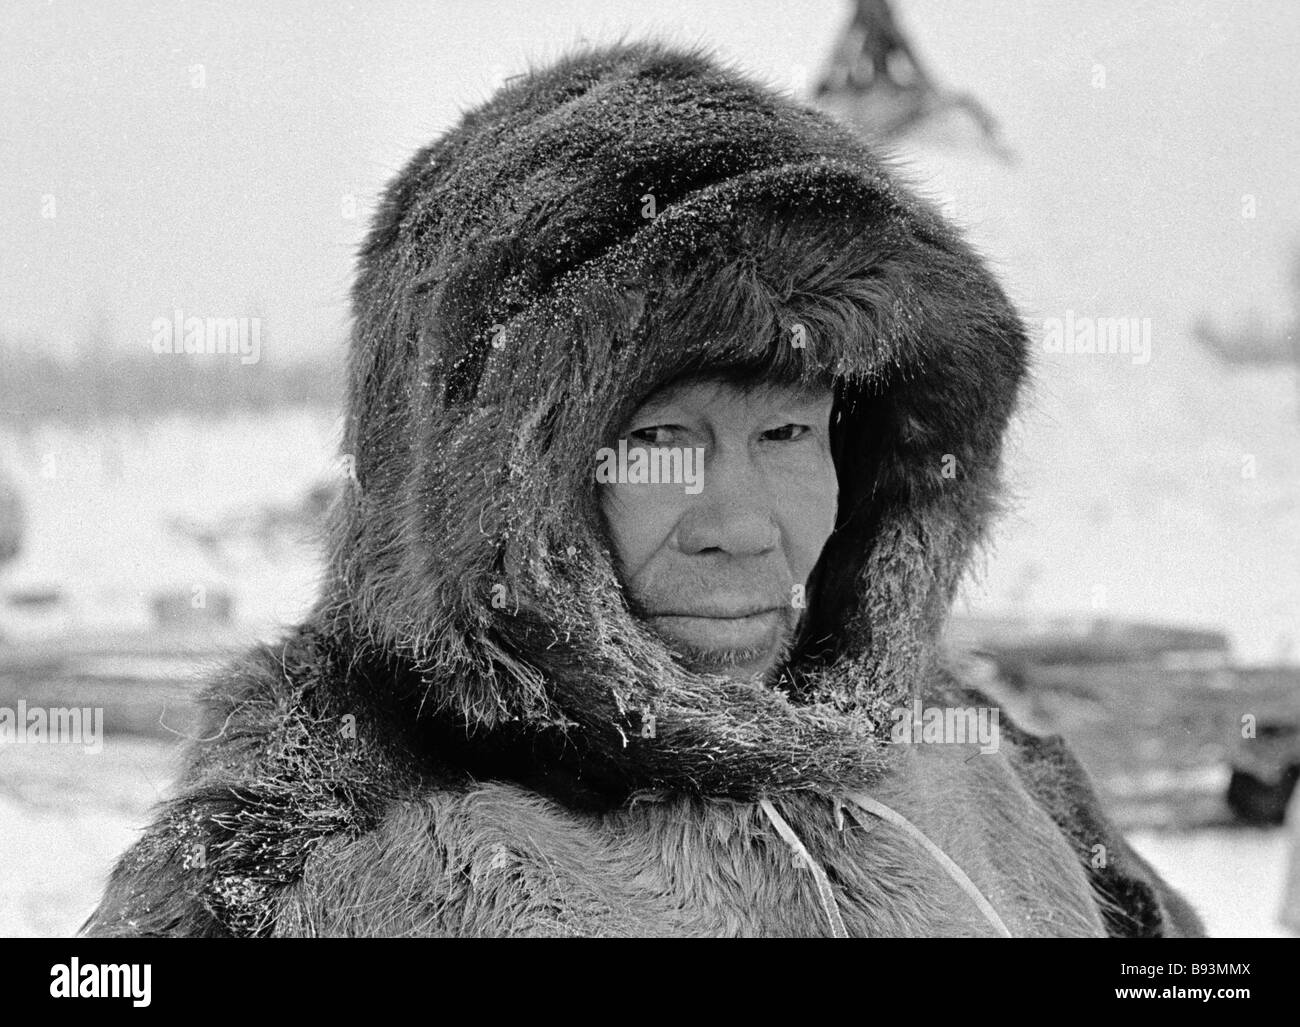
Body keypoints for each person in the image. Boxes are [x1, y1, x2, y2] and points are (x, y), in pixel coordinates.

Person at [83, 39, 1201, 937]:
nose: (741, 526)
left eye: (786, 431)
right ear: (494, 485)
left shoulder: (976, 760)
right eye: (661, 436)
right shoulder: (303, 851)